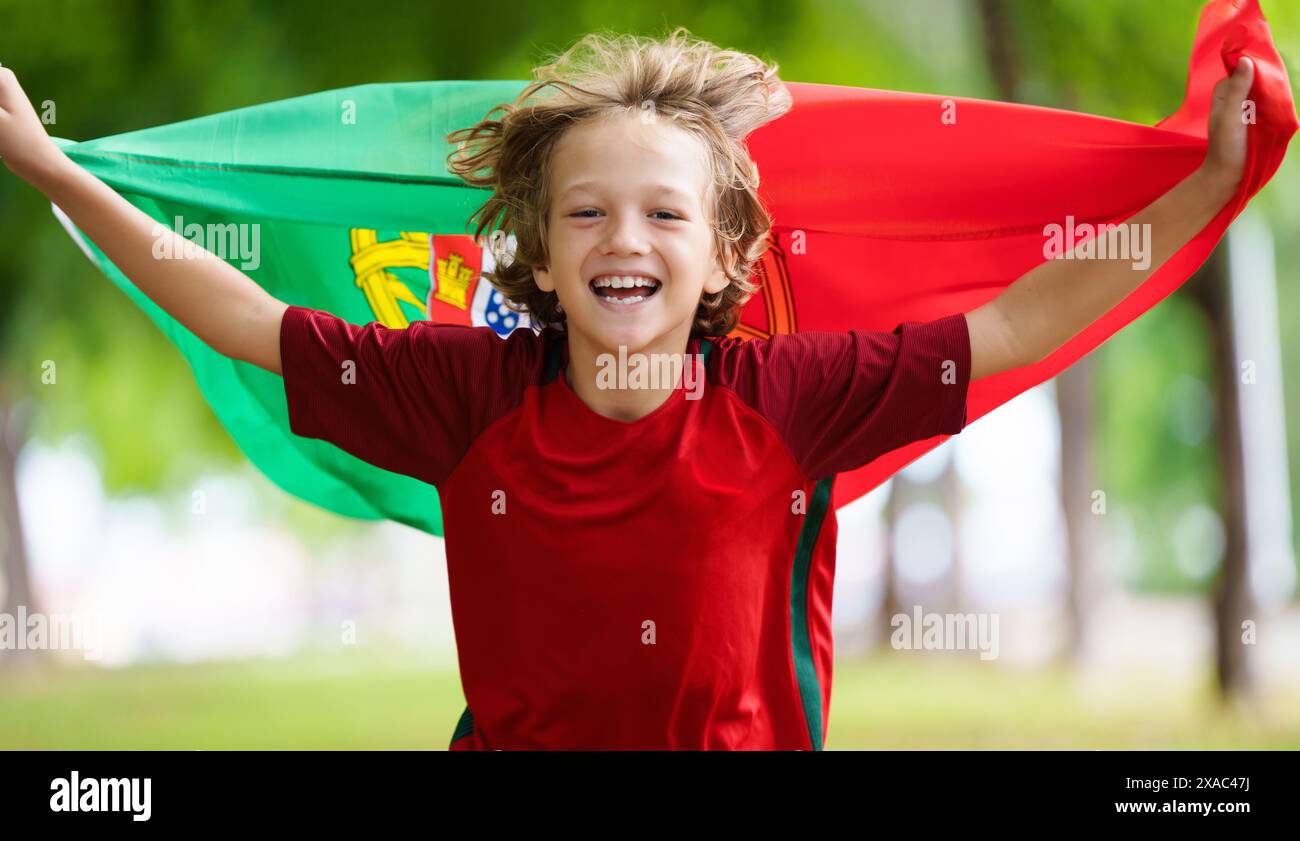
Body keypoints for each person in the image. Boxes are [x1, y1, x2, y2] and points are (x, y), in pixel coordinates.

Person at [0, 29, 1253, 749]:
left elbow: (1014, 322)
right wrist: (54, 172)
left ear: (726, 258)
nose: (623, 240)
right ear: (535, 252)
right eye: (585, 213)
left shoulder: (784, 398)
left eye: (664, 213)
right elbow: (251, 318)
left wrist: (1198, 192)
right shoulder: (468, 395)